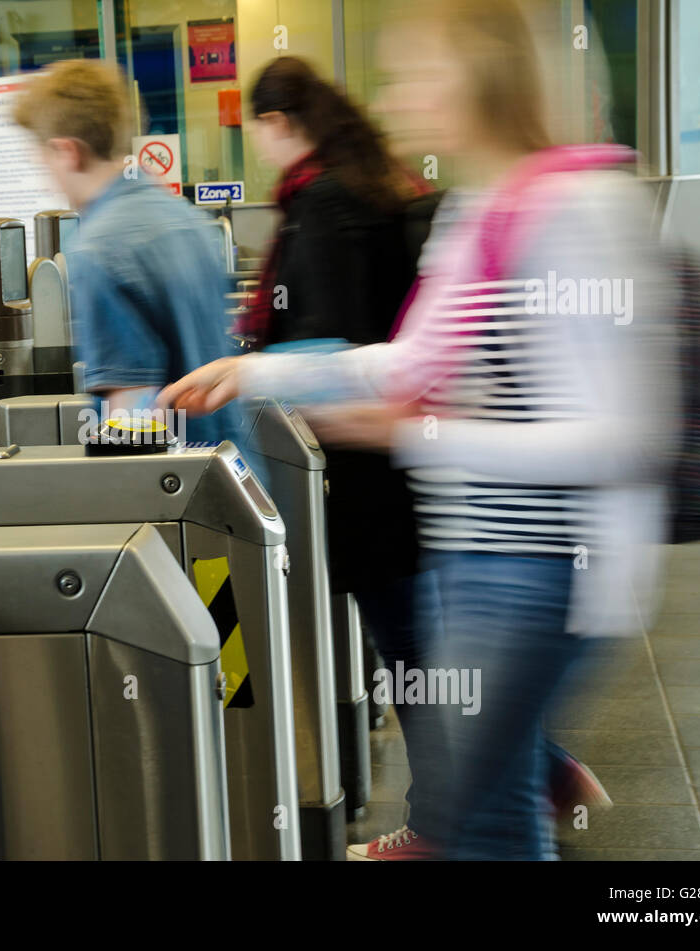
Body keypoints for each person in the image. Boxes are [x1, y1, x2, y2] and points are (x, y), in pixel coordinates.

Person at [159, 0, 676, 860]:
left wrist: (423, 437)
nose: (396, 99)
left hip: (543, 574)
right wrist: (254, 374)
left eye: (416, 74)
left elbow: (621, 439)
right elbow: (408, 361)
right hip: (475, 561)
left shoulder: (574, 211)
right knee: (494, 822)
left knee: (481, 823)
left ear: (481, 77)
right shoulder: (481, 211)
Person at [243, 55, 446, 860]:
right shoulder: (374, 181)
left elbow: (330, 344)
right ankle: (537, 770)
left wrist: (253, 367)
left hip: (365, 472)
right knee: (425, 646)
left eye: (254, 129)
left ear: (276, 123)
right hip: (406, 461)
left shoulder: (321, 201)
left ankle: (439, 827)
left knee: (412, 653)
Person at [10, 59, 248, 451]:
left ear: (67, 152)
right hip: (231, 468)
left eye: (42, 159)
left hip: (177, 497)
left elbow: (135, 429)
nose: (44, 176)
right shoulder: (186, 218)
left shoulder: (98, 248)